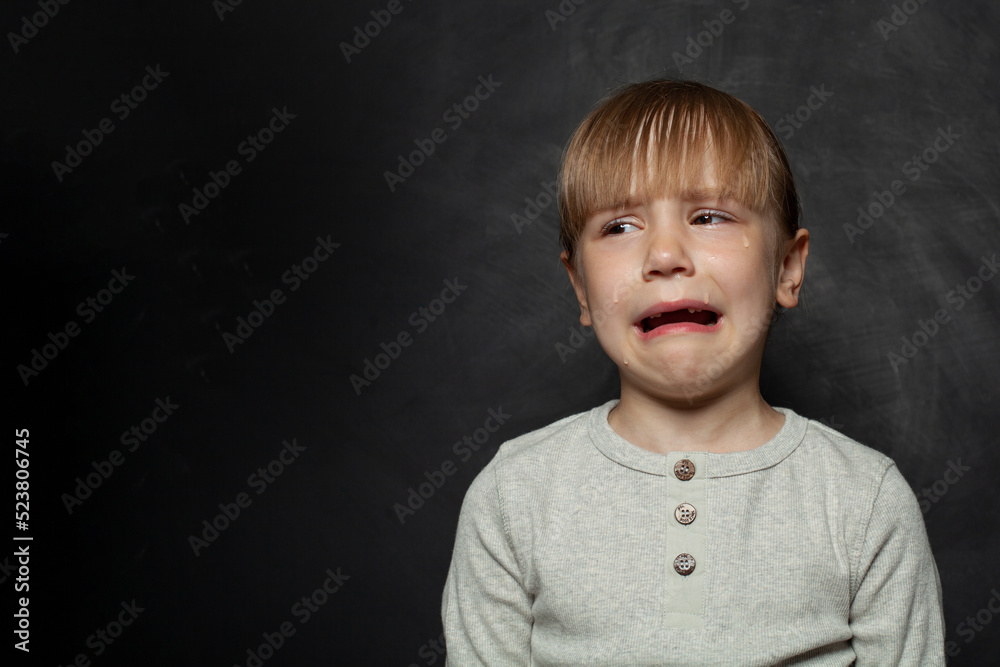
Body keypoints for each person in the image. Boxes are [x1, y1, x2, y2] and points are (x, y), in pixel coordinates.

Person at [441, 79, 945, 665]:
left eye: (709, 216)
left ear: (787, 267)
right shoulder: (513, 496)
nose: (663, 256)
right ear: (580, 287)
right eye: (620, 227)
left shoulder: (865, 501)